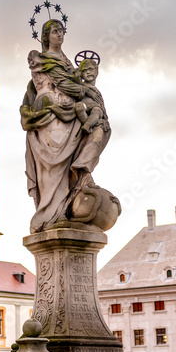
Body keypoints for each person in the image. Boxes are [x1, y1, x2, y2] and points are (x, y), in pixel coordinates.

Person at [21, 19, 111, 232]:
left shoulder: (69, 63)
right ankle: (52, 213)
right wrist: (85, 91)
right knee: (53, 167)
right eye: (54, 32)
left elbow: (75, 83)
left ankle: (79, 184)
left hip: (71, 115)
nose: (59, 35)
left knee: (99, 130)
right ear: (46, 36)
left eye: (62, 31)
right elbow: (65, 85)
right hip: (51, 116)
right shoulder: (42, 60)